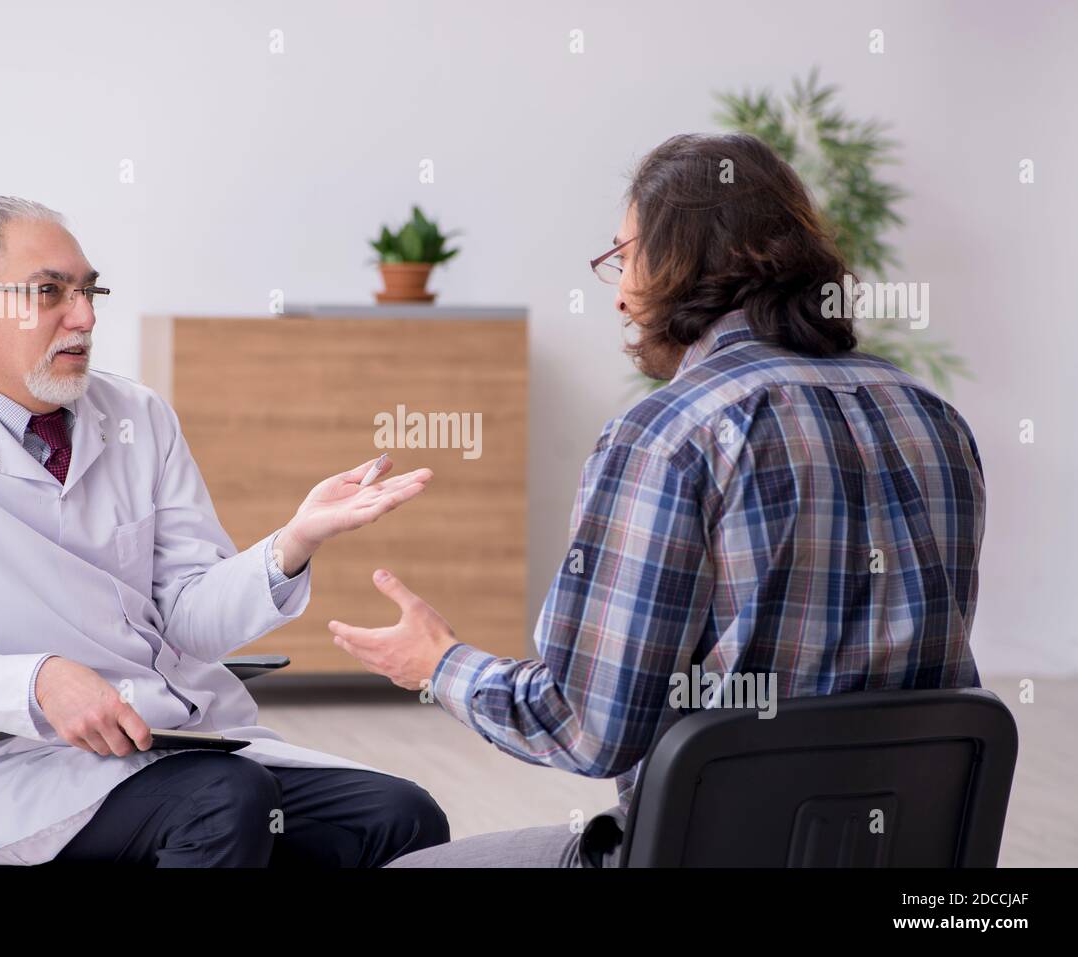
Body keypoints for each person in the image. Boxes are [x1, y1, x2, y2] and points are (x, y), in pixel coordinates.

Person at [330, 132, 985, 868]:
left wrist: (438, 661)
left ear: (682, 258)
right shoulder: (932, 417)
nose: (617, 291)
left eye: (624, 256)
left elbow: (587, 725)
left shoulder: (671, 435)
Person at [0, 196, 449, 867]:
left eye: (88, 289)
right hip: (28, 767)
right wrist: (40, 682)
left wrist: (292, 541)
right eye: (51, 292)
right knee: (226, 801)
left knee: (402, 816)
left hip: (177, 737)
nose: (86, 316)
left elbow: (187, 616)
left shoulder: (139, 416)